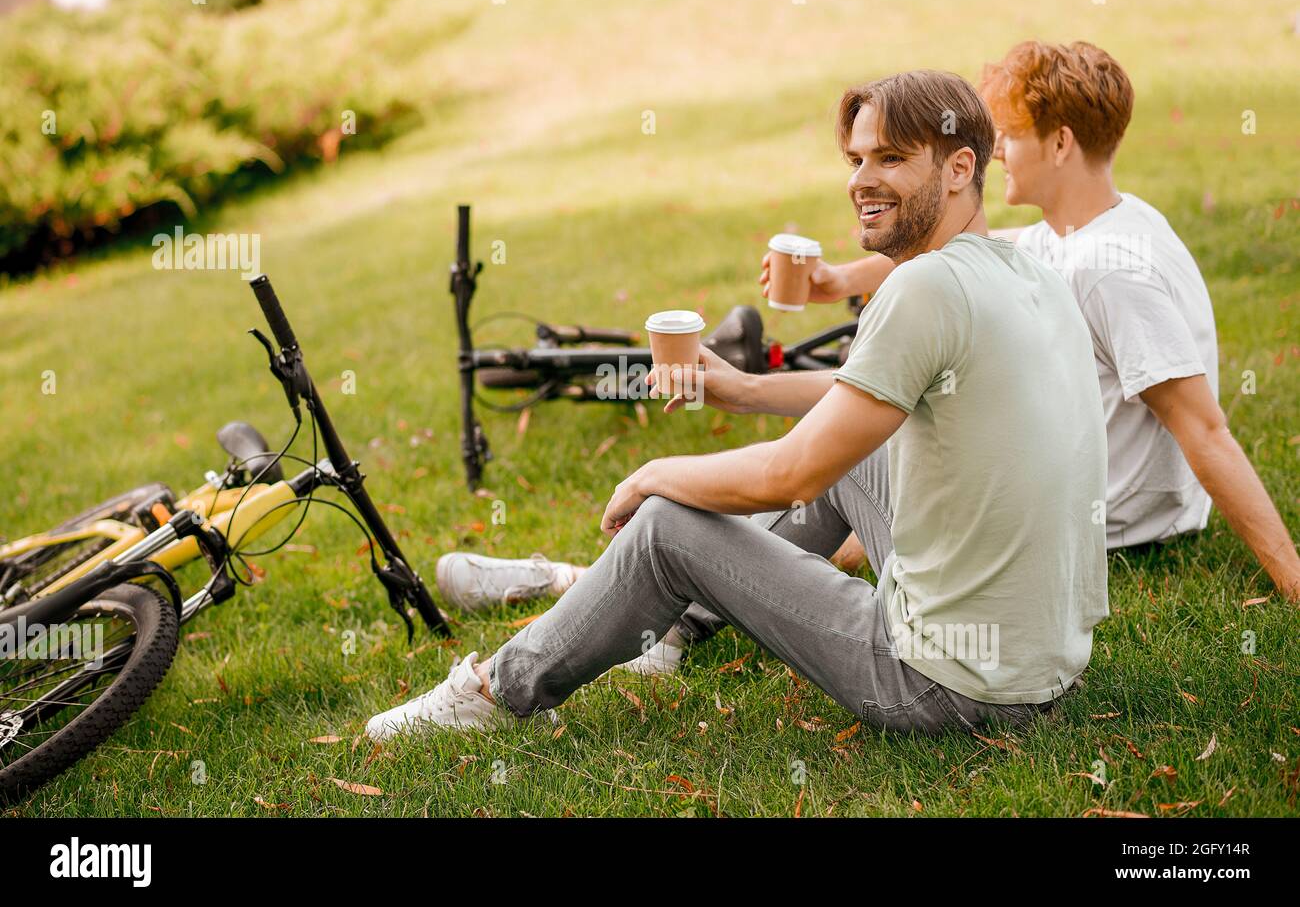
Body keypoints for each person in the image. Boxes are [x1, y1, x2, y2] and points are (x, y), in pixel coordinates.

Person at [366, 69, 1107, 740]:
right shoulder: (1021, 265)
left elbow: (790, 478)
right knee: (855, 449)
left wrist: (655, 471)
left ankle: (493, 690)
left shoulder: (923, 288)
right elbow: (872, 398)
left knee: (665, 527)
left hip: (946, 686)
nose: (862, 179)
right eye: (856, 159)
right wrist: (743, 389)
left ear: (959, 167)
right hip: (1044, 665)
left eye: (890, 158)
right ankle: (666, 628)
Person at [757, 41, 1300, 608]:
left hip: (1104, 514)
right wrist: (838, 280)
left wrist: (1291, 581)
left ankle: (700, 575)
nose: (996, 156)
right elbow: (986, 244)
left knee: (858, 458)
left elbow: (1205, 429)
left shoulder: (1111, 273)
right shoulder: (1094, 225)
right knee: (861, 476)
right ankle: (728, 565)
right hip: (1069, 488)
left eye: (1010, 138)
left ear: (1060, 142)